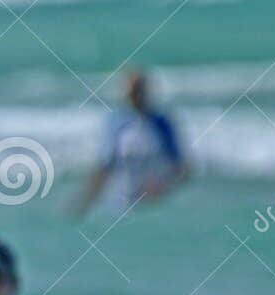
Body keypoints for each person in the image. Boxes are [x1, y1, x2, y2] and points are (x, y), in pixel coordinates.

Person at [72, 69, 188, 218]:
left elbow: (183, 168)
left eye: (139, 90)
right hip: (122, 205)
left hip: (156, 207)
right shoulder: (117, 123)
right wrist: (83, 203)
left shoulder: (162, 124)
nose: (136, 96)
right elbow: (104, 167)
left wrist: (163, 186)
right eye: (132, 91)